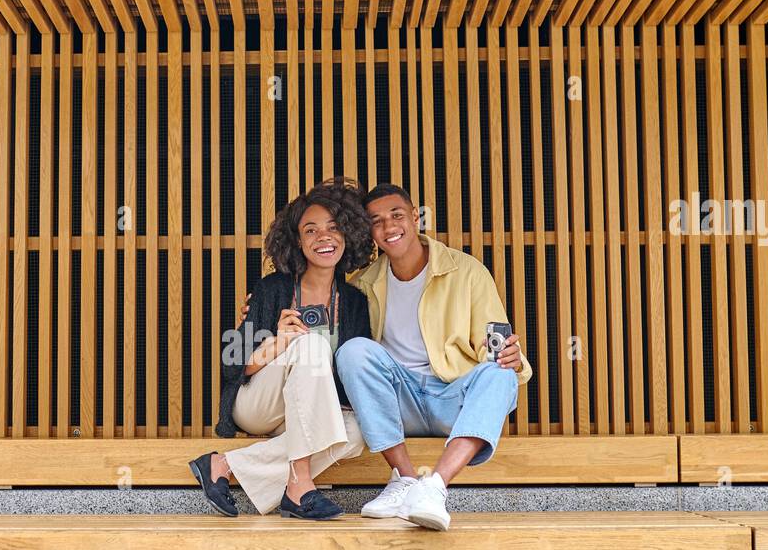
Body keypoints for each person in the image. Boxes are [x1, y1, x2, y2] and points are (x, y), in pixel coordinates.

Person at [334, 183, 531, 531]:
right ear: (370, 232)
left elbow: (493, 344)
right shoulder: (363, 283)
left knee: (499, 374)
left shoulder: (466, 271)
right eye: (376, 221)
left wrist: (511, 358)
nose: (389, 227)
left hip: (452, 399)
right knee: (353, 351)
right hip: (398, 402)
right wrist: (258, 315)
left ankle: (434, 487)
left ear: (415, 216)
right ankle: (406, 480)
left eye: (397, 215)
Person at [189, 178, 376, 520]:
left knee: (355, 433)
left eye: (334, 227)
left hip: (303, 411)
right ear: (297, 242)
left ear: (347, 234)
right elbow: (232, 366)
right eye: (310, 230)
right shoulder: (272, 289)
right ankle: (299, 486)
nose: (323, 237)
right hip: (258, 404)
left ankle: (225, 465)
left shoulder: (354, 303)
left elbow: (349, 379)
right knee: (310, 347)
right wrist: (277, 342)